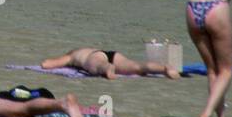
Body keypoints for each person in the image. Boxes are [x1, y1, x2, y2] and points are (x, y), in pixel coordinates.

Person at [41, 47, 180, 79]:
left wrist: (56, 60)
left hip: (94, 56)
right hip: (111, 54)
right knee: (137, 67)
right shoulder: (83, 49)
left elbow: (47, 65)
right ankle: (164, 68)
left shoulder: (71, 56)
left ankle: (108, 68)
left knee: (98, 66)